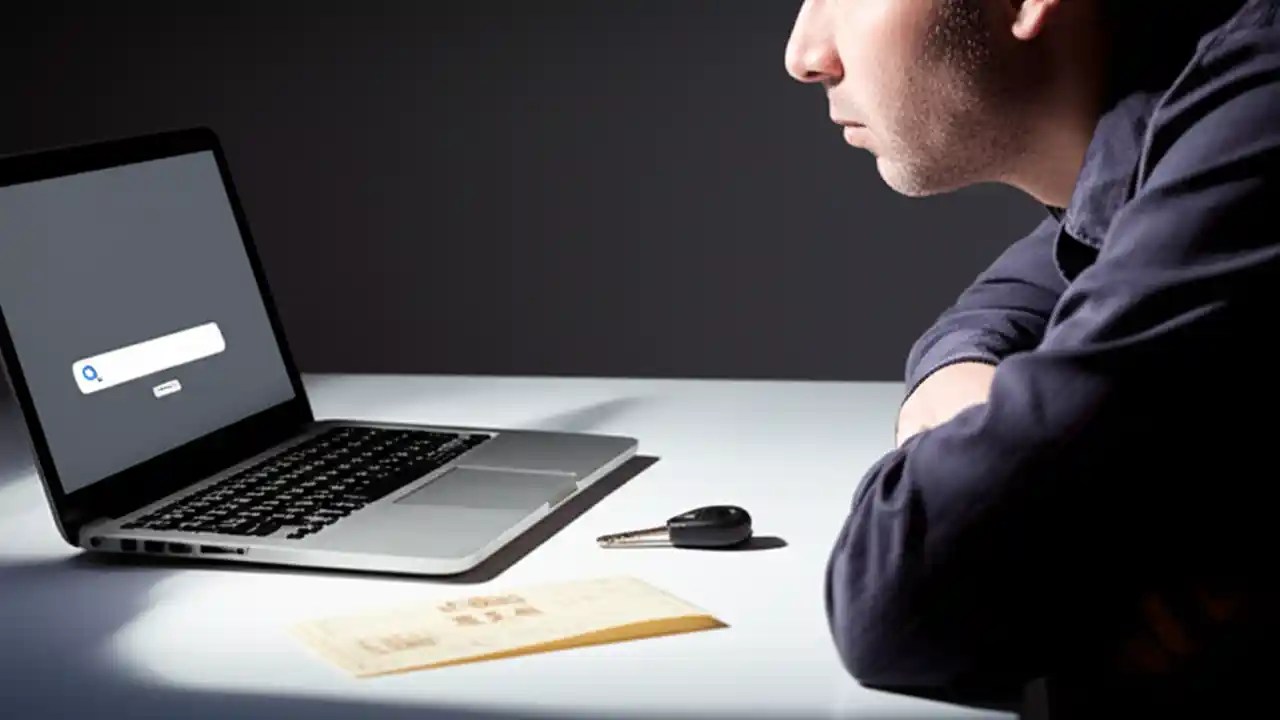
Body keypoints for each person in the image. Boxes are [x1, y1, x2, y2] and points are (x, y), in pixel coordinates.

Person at [784, 0, 1279, 714]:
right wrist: (974, 414)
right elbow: (1005, 302)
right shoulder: (1164, 144)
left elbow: (900, 592)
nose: (804, 54)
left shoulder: (1262, 108)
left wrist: (1017, 491)